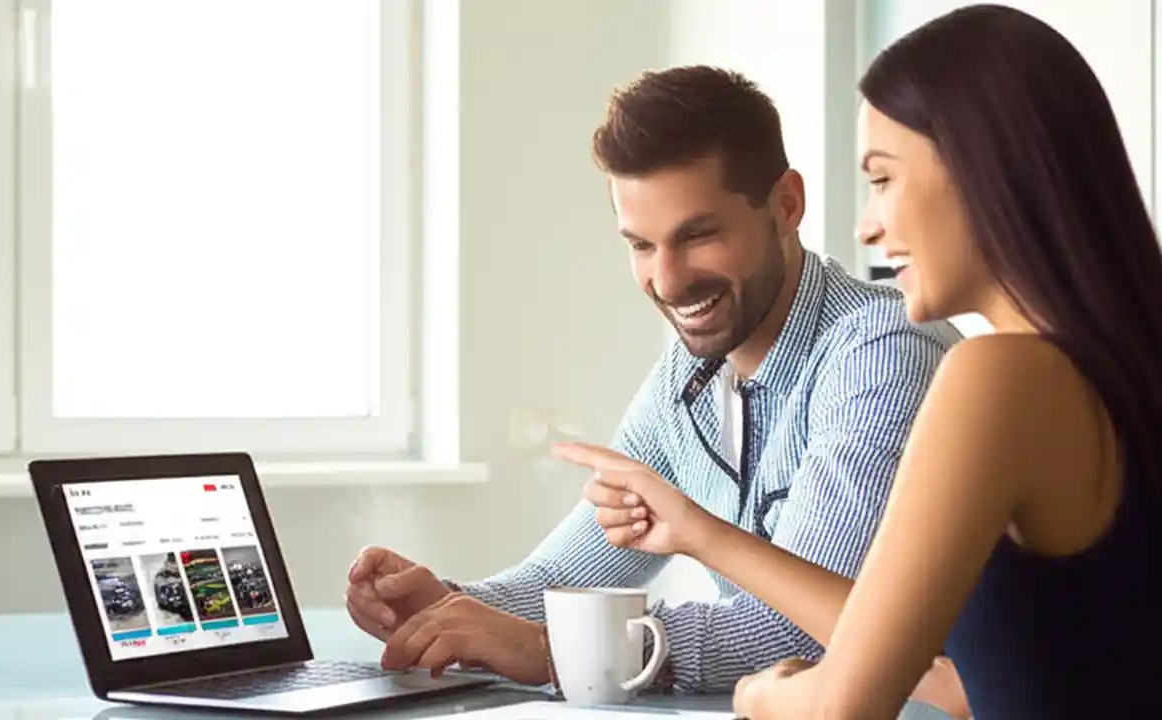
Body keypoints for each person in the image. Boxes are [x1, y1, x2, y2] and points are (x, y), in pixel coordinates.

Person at [574, 6, 1162, 718]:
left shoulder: (999, 378)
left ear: (985, 172)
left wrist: (764, 696)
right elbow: (994, 676)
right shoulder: (1109, 372)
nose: (867, 226)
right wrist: (698, 533)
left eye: (881, 180)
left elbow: (843, 707)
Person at [346, 66, 954, 693]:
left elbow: (807, 634)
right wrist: (447, 608)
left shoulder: (881, 353)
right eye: (640, 245)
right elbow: (568, 574)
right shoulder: (688, 377)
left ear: (786, 206)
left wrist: (551, 651)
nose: (666, 282)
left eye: (698, 235)